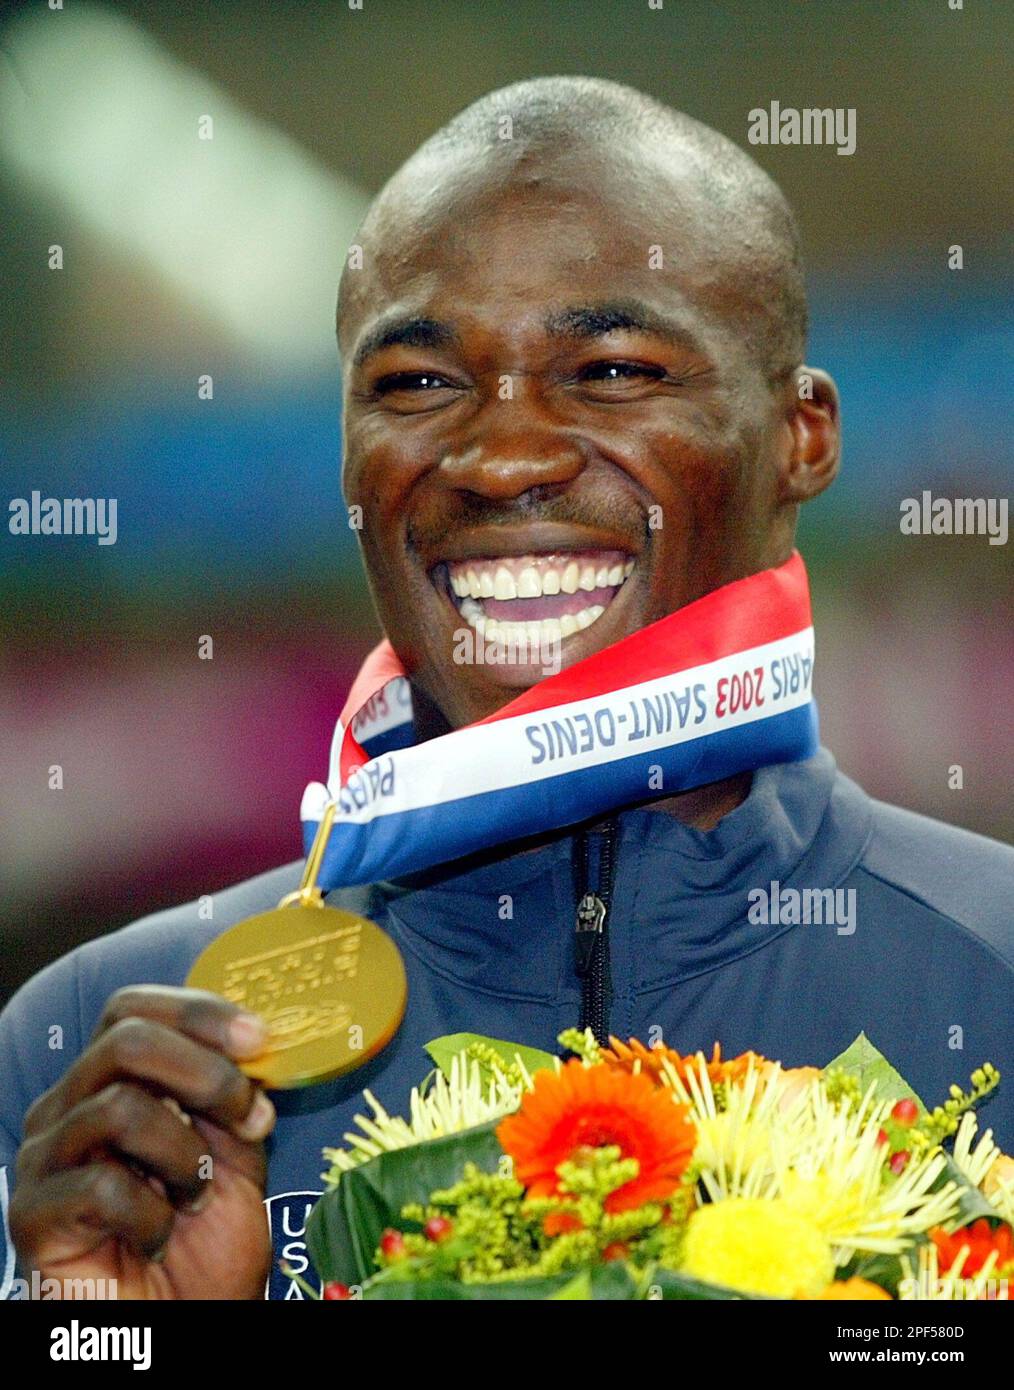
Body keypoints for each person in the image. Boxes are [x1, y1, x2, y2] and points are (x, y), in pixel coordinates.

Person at [2, 77, 1011, 1301]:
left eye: (615, 369)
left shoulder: (990, 969)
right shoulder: (97, 1049)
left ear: (801, 437)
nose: (500, 456)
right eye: (419, 385)